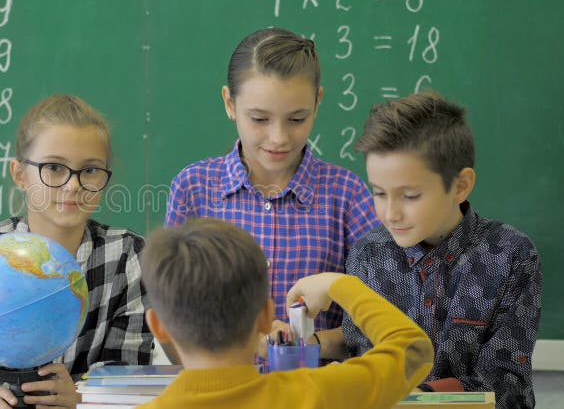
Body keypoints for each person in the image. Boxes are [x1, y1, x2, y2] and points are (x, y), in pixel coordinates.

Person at [165, 27, 379, 337]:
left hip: (318, 383)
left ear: (318, 102)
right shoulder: (193, 188)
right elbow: (172, 310)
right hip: (223, 383)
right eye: (259, 119)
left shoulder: (347, 196)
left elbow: (377, 316)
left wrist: (308, 342)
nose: (278, 138)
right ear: (229, 103)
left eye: (296, 119)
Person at [341, 92, 542, 408]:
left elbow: (506, 387)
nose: (390, 213)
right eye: (379, 193)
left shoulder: (510, 257)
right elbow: (364, 360)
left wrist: (423, 398)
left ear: (460, 186)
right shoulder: (367, 256)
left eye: (410, 196)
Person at [0, 95, 153, 409]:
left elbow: (128, 371)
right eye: (53, 167)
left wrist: (82, 398)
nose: (73, 185)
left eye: (89, 170)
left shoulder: (127, 255)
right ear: (20, 174)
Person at [138, 217, 433, 409]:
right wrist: (341, 284)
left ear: (157, 327)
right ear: (266, 316)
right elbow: (413, 350)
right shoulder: (316, 394)